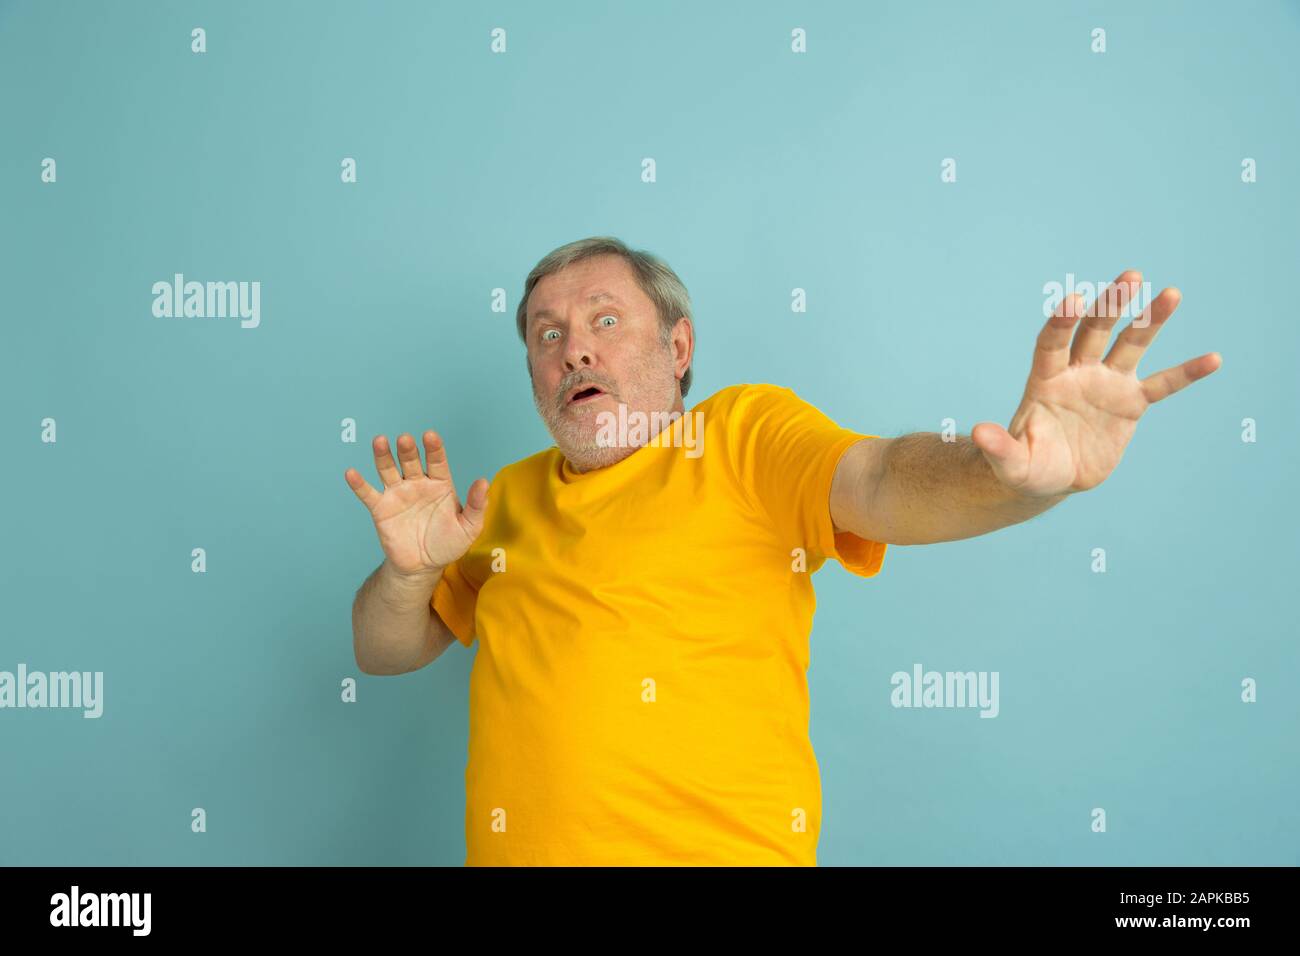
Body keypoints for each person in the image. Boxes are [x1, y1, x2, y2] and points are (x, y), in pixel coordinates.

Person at [345, 236, 1221, 866]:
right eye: (546, 334)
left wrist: (1015, 480)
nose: (573, 346)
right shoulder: (497, 503)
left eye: (605, 319)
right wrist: (408, 572)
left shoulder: (741, 436)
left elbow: (879, 479)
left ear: (676, 347)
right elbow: (383, 652)